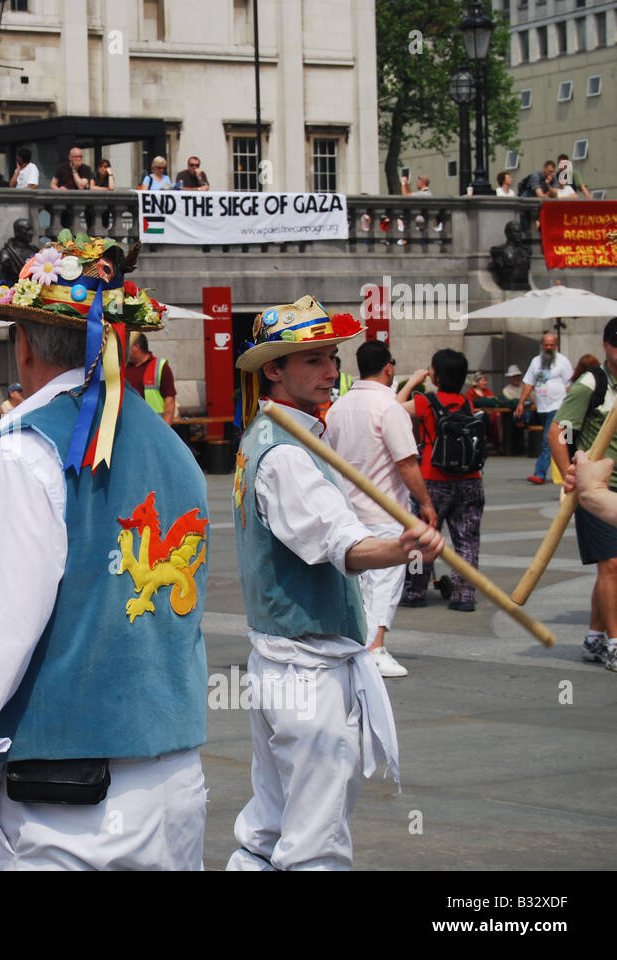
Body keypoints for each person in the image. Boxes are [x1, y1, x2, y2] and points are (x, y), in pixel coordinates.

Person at [0, 236, 210, 871]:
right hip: (175, 781)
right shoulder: (176, 449)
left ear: (22, 342)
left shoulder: (27, 447)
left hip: (69, 800)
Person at [227, 297, 444, 870]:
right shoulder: (284, 455)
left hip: (285, 661)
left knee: (271, 828)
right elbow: (339, 543)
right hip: (306, 667)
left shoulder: (272, 438)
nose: (330, 372)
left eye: (333, 357)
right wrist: (400, 545)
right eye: (314, 360)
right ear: (274, 369)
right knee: (314, 840)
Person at [324, 341, 437, 679]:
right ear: (388, 368)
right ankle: (374, 647)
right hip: (385, 510)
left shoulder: (338, 407)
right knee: (385, 581)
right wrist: (426, 504)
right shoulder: (389, 408)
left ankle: (358, 643)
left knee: (357, 582)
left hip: (347, 508)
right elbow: (406, 462)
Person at [548, 316, 617, 669]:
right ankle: (615, 643)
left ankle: (594, 636)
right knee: (611, 564)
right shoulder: (592, 384)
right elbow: (558, 431)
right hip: (594, 491)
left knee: (613, 569)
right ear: (606, 346)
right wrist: (568, 474)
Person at [395, 350, 484, 612]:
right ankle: (464, 594)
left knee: (423, 537)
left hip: (433, 481)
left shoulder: (427, 402)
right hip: (470, 479)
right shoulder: (468, 403)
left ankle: (416, 590)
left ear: (438, 376)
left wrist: (412, 382)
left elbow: (394, 409)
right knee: (467, 539)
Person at [515, 332, 574, 484]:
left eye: (551, 345)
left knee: (548, 440)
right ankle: (568, 471)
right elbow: (529, 383)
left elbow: (569, 385)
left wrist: (571, 406)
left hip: (558, 406)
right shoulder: (536, 362)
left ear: (556, 346)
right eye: (546, 345)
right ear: (542, 345)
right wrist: (521, 403)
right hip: (542, 408)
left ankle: (539, 473)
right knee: (559, 441)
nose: (548, 348)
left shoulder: (562, 361)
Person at [122, 331, 176, 425]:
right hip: (129, 424)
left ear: (137, 347)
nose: (124, 351)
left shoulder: (160, 367)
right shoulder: (122, 367)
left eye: (126, 347)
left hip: (153, 425)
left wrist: (165, 430)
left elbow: (169, 400)